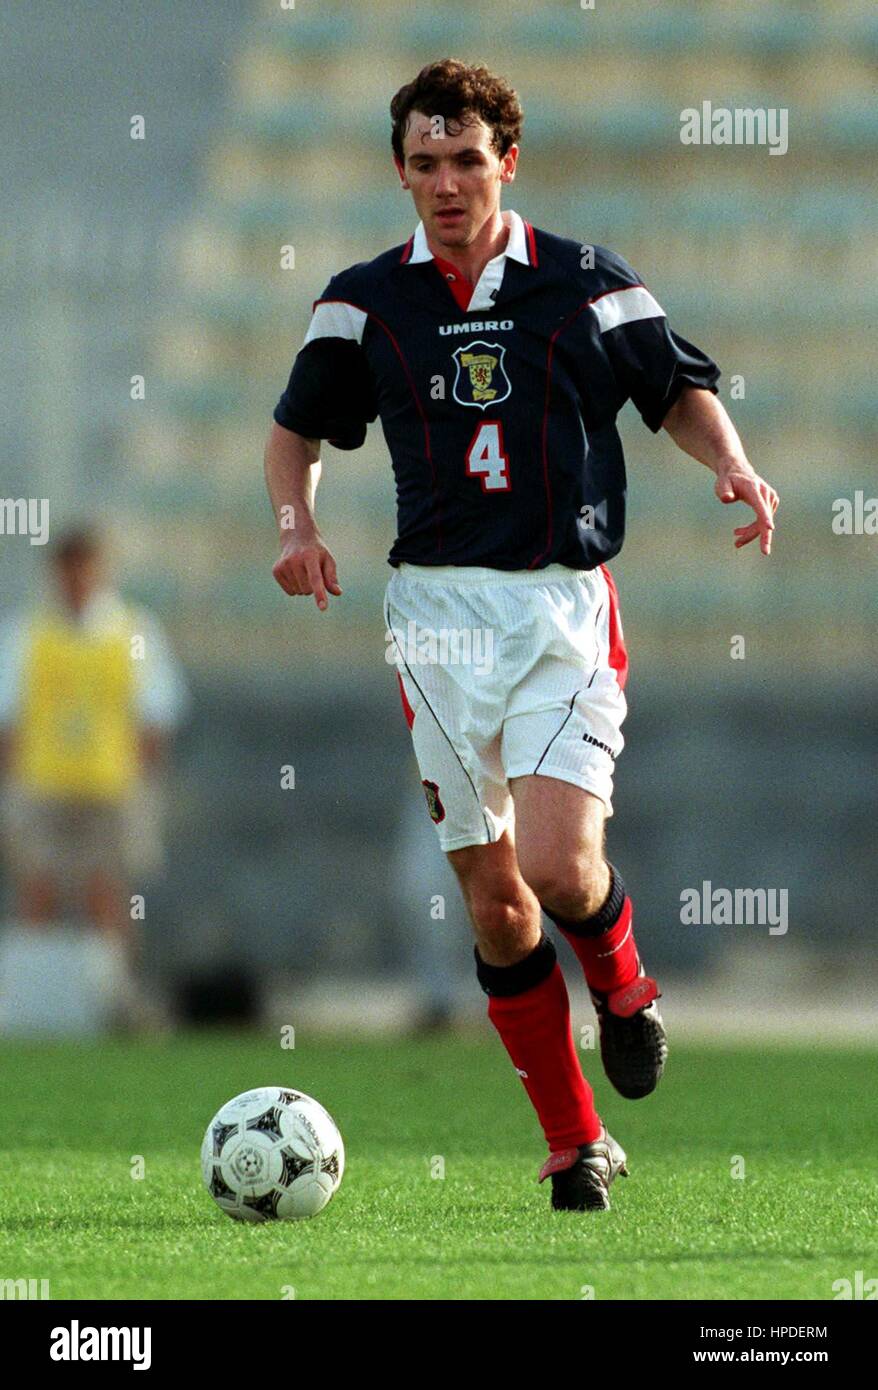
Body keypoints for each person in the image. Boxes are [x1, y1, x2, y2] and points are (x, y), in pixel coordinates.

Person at [263, 60, 779, 1211]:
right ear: (399, 168)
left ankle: (627, 989)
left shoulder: (584, 281)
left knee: (556, 866)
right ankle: (572, 1142)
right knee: (495, 905)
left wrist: (732, 463)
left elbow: (675, 388)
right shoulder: (361, 302)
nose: (445, 183)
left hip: (557, 605)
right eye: (424, 162)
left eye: (465, 159)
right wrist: (294, 528)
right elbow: (293, 435)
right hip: (434, 623)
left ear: (507, 159)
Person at [0, 526, 188, 1009]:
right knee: (37, 891)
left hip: (111, 788)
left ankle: (114, 1003)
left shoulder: (134, 631)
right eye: (69, 567)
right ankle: (32, 1005)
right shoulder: (27, 632)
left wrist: (138, 782)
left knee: (108, 896)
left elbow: (157, 715)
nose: (77, 578)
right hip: (41, 787)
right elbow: (8, 719)